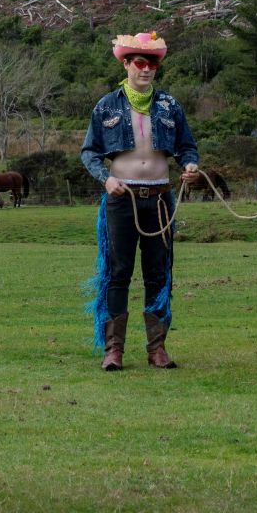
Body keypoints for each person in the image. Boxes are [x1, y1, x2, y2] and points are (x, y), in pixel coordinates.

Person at [80, 31, 200, 370]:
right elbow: (89, 152)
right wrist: (106, 179)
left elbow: (187, 147)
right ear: (126, 64)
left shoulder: (170, 105)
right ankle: (113, 349)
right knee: (117, 272)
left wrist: (190, 165)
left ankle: (157, 348)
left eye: (152, 64)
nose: (146, 69)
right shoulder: (106, 105)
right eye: (139, 62)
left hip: (160, 199)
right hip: (122, 199)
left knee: (158, 273)